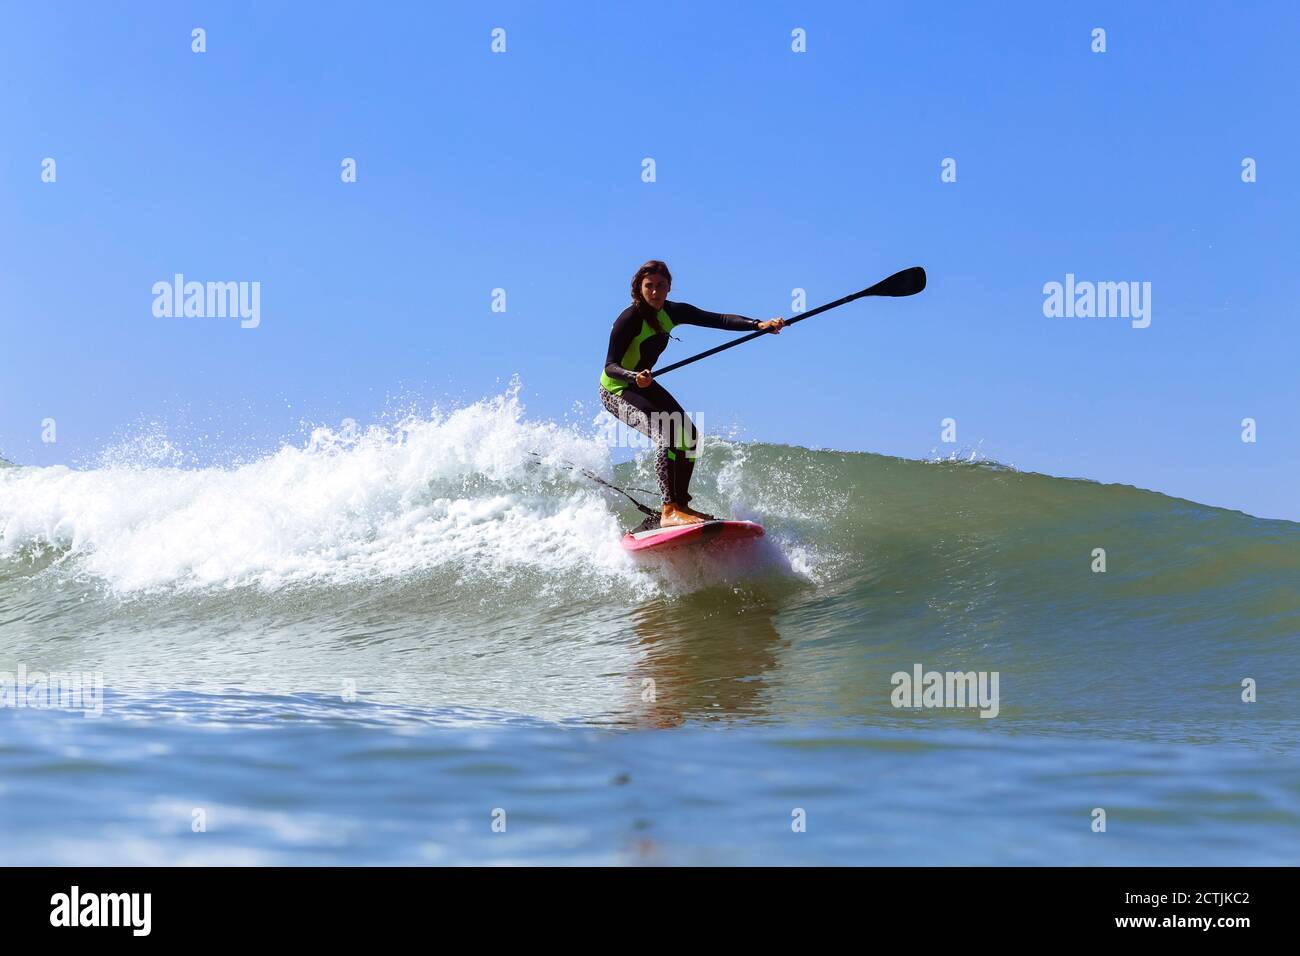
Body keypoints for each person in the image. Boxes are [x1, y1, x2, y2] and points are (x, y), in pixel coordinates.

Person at [600, 260, 785, 527]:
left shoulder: (673, 312)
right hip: (616, 389)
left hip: (643, 383)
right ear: (639, 289)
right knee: (668, 434)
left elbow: (718, 319)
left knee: (690, 437)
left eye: (660, 286)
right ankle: (668, 510)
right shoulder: (629, 319)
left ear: (669, 287)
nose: (655, 291)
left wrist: (758, 325)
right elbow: (610, 366)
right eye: (649, 286)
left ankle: (681, 505)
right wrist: (633, 376)